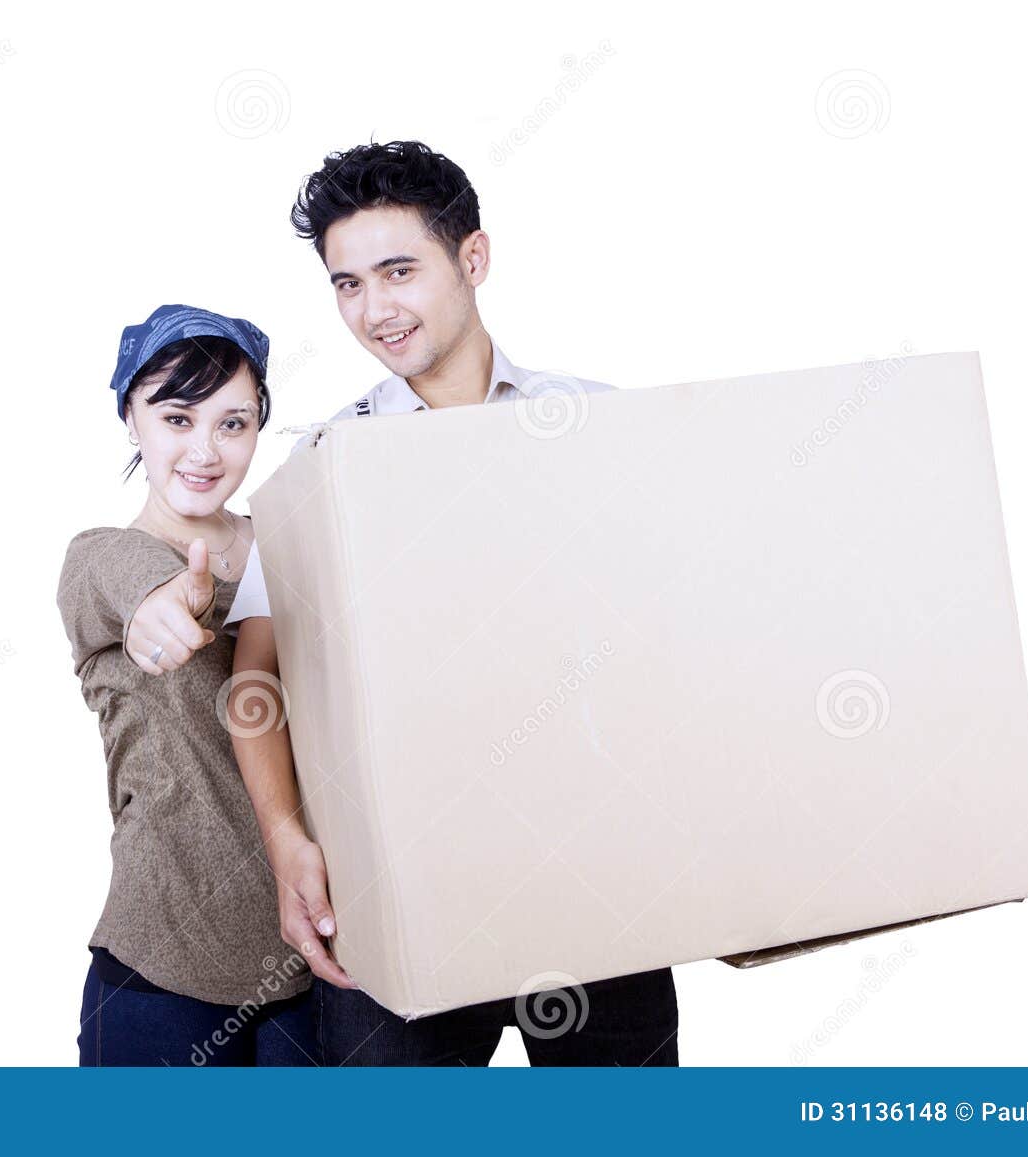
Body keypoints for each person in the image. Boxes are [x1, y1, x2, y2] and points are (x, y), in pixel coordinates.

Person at [129, 142, 679, 1066]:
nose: (374, 309)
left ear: (473, 259)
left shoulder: (593, 423)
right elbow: (258, 678)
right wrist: (288, 840)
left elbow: (673, 629)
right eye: (347, 284)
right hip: (397, 892)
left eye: (397, 271)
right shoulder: (327, 464)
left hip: (595, 881)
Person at [55, 304, 315, 1066]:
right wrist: (160, 606)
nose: (205, 449)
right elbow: (122, 586)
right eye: (177, 417)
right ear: (131, 418)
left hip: (309, 965)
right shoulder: (99, 559)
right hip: (157, 971)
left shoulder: (296, 548)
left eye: (233, 423)